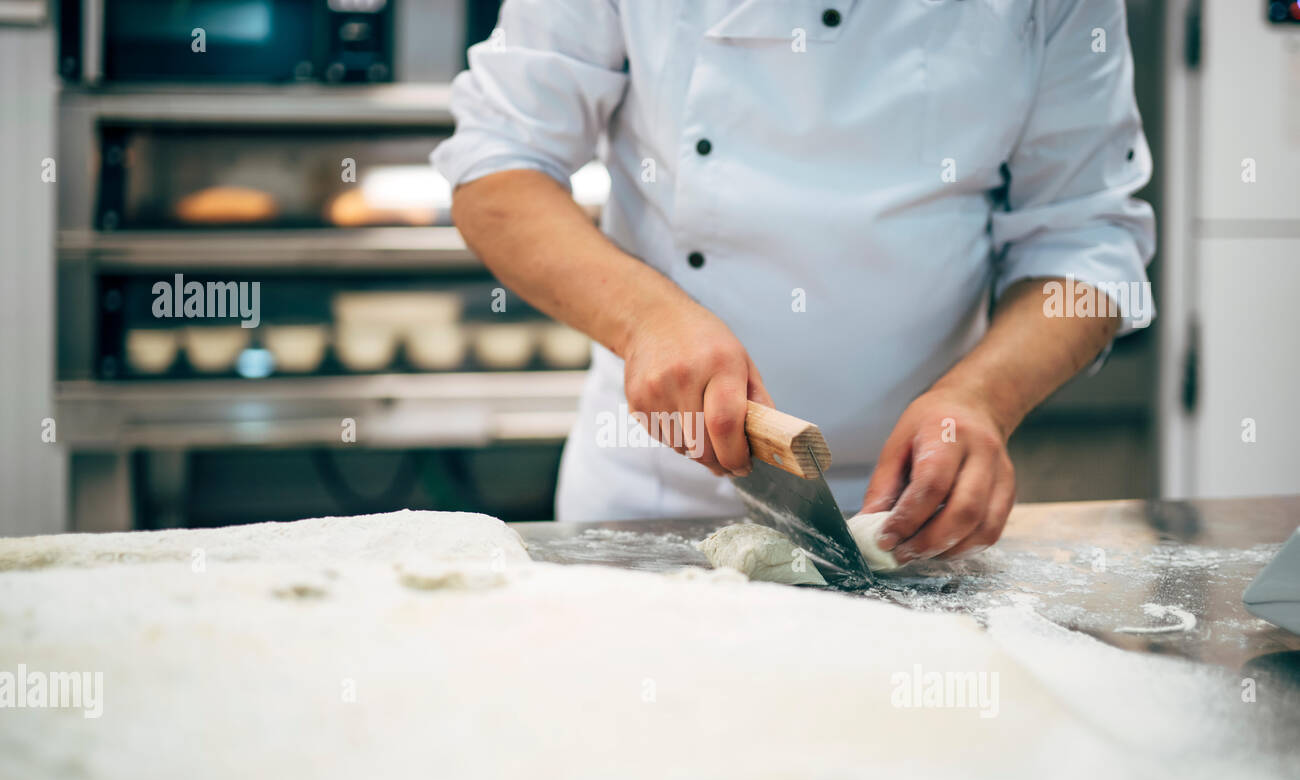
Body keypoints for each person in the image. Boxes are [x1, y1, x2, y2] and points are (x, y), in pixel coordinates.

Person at [434, 0, 1154, 564]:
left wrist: (984, 399)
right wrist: (644, 317)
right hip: (653, 501)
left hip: (917, 522)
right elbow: (497, 164)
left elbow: (1087, 237)